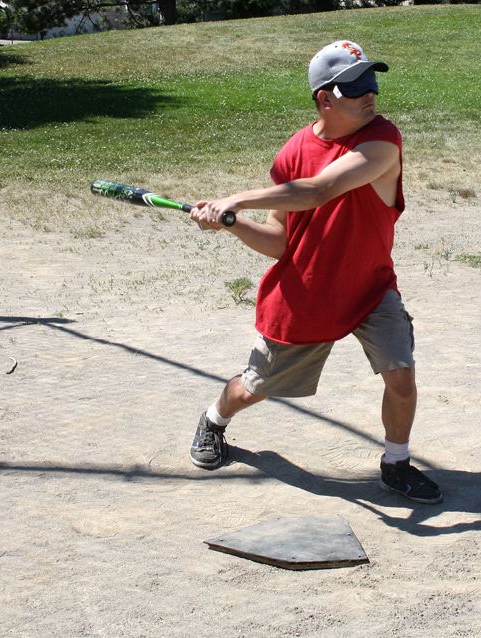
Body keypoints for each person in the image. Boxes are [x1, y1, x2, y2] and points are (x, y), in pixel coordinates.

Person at [187, 41, 441, 504]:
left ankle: (396, 464)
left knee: (401, 377)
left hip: (370, 287)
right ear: (325, 98)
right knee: (254, 389)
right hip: (307, 293)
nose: (371, 93)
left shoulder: (382, 139)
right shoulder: (294, 151)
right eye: (357, 86)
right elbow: (278, 241)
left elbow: (319, 190)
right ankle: (213, 420)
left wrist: (237, 199)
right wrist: (231, 222)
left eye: (373, 81)